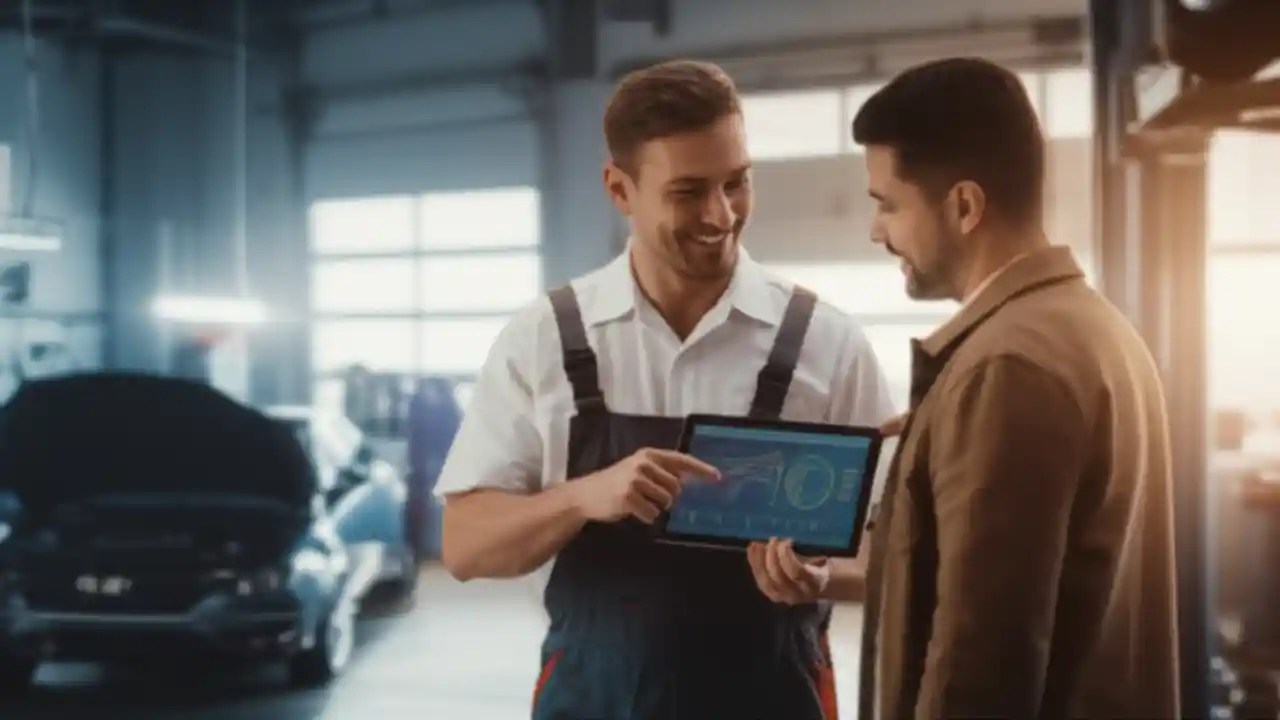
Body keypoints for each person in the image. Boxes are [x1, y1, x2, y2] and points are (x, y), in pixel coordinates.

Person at [433, 59, 896, 720]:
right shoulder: (547, 339)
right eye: (688, 191)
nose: (721, 213)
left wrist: (826, 578)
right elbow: (465, 546)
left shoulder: (825, 341)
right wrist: (579, 498)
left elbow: (894, 552)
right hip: (593, 702)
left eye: (736, 183)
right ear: (619, 189)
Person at [839, 57, 1180, 719]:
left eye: (888, 204)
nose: (876, 230)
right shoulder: (1090, 328)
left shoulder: (1006, 369)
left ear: (964, 205)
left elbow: (980, 670)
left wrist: (974, 404)